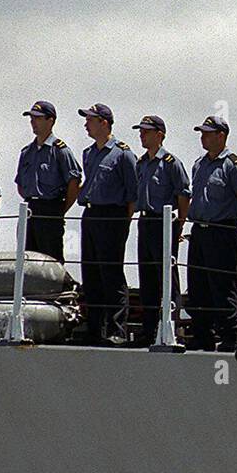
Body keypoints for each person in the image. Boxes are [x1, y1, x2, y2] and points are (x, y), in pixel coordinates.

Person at [187, 115, 237, 351]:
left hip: (222, 230)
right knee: (198, 284)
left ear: (221, 136)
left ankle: (229, 334)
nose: (202, 137)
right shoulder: (199, 164)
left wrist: (230, 221)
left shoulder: (233, 165)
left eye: (207, 133)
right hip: (199, 230)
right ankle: (202, 333)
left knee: (222, 284)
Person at [77, 103, 138, 344]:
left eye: (90, 120)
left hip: (112, 215)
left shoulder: (123, 154)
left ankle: (116, 329)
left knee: (110, 273)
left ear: (104, 122)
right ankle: (95, 328)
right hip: (91, 214)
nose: (86, 124)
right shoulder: (89, 153)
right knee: (91, 273)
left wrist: (123, 223)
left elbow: (133, 194)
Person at [133, 115, 190, 347]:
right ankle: (149, 329)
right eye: (141, 131)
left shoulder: (170, 163)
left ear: (159, 135)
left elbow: (183, 194)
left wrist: (180, 224)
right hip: (145, 221)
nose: (142, 135)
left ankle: (171, 326)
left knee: (166, 276)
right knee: (147, 276)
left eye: (146, 131)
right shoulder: (141, 163)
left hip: (163, 222)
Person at [14, 100, 81, 263]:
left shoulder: (60, 151)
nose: (33, 122)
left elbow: (74, 182)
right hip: (29, 208)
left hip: (50, 208)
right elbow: (20, 184)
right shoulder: (27, 152)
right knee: (27, 257)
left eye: (37, 118)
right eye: (31, 118)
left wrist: (60, 209)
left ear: (50, 120)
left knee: (51, 258)